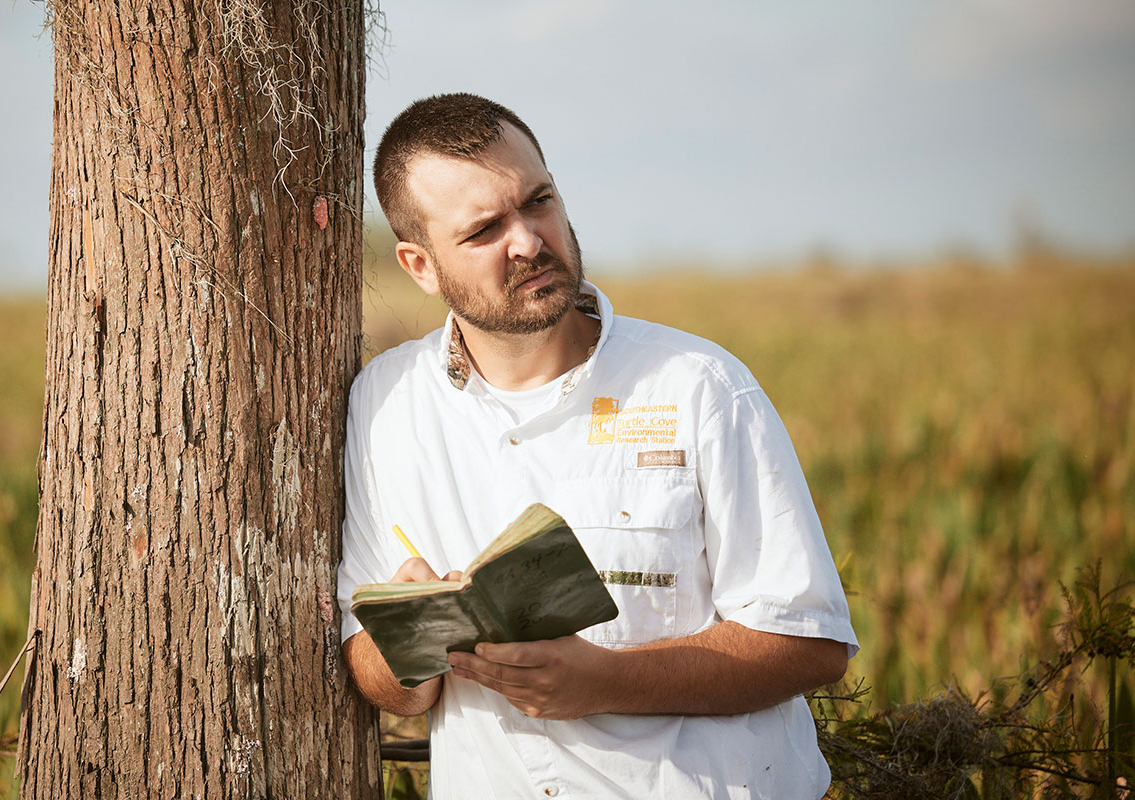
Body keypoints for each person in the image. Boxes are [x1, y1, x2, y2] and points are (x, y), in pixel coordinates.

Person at [336, 93, 858, 799]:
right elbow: (380, 675)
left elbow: (810, 644)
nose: (529, 241)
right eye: (485, 229)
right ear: (420, 266)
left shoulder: (698, 385)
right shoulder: (384, 405)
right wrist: (415, 636)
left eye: (538, 201)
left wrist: (607, 681)